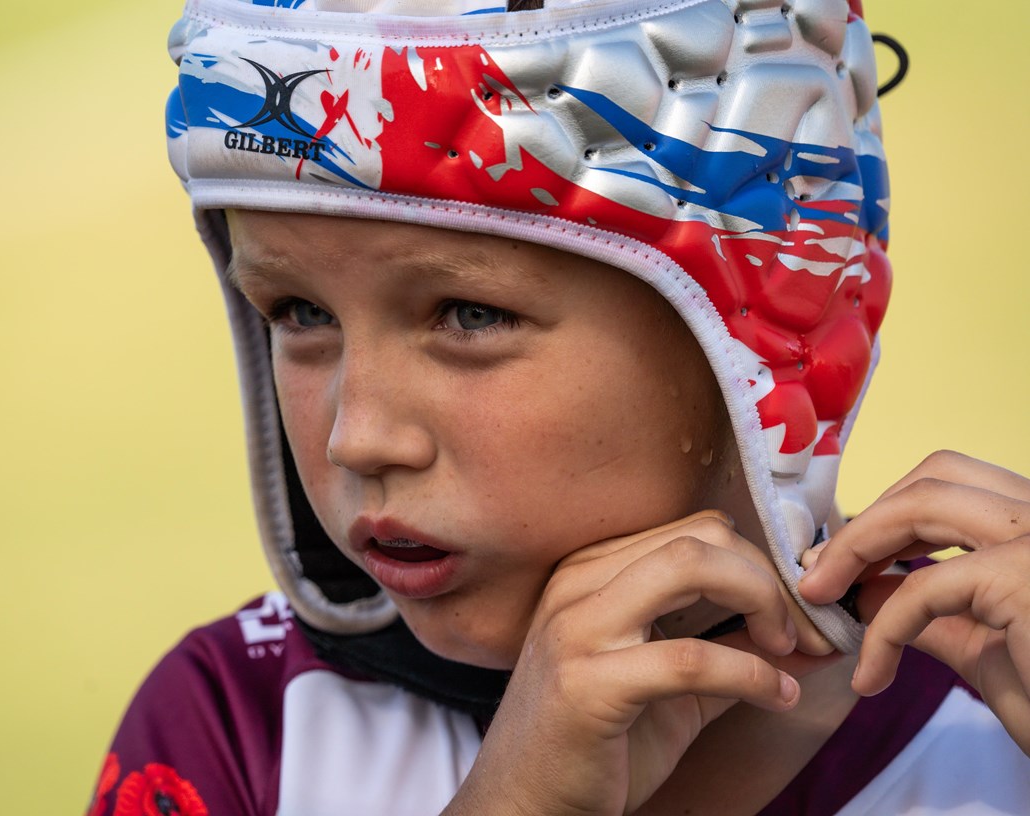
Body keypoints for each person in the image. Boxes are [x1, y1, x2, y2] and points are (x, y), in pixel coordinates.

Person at [89, 0, 1030, 813]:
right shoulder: (238, 724)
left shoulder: (998, 720)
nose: (358, 436)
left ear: (761, 322)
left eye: (469, 315)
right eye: (300, 313)